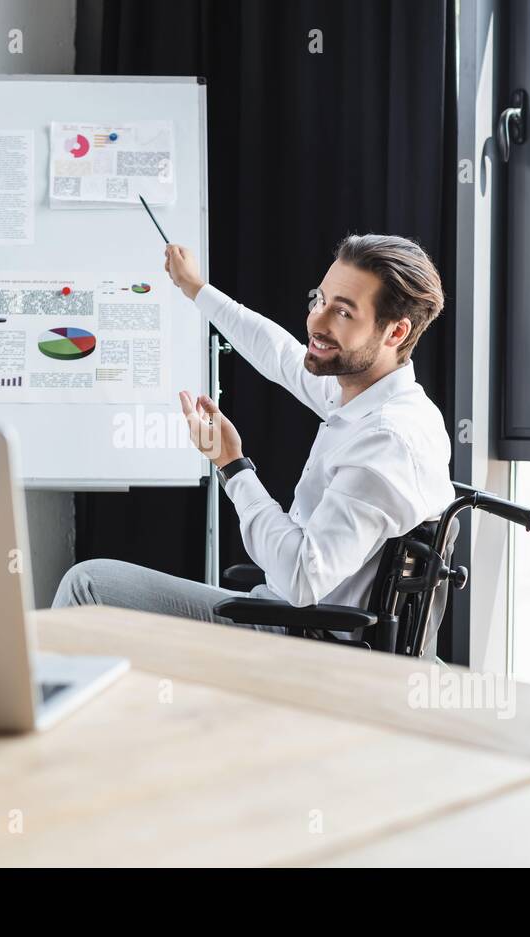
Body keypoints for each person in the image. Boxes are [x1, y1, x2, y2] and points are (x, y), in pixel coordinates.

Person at [52, 234, 455, 643]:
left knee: (88, 586)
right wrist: (195, 288)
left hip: (298, 636)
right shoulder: (372, 399)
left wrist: (233, 466)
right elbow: (278, 354)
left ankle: (27, 708)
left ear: (395, 332)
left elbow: (301, 579)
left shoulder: (386, 439)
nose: (318, 320)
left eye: (344, 313)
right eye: (320, 299)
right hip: (288, 615)